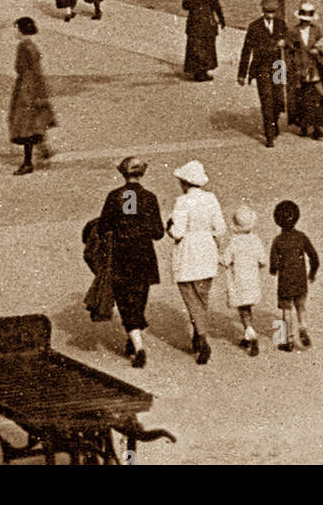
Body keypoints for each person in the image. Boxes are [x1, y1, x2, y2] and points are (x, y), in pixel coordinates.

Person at [97, 156, 165, 367]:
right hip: (144, 255)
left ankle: (137, 344)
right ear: (142, 173)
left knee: (124, 299)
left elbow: (103, 226)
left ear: (123, 174)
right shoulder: (150, 197)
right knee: (139, 296)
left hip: (121, 254)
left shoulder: (115, 196)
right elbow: (158, 233)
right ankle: (133, 337)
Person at [167, 161, 227, 365]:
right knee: (202, 297)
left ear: (184, 183)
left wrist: (170, 227)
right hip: (207, 248)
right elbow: (220, 228)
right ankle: (197, 333)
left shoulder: (182, 202)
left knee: (189, 294)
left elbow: (177, 232)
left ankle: (201, 337)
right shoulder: (211, 199)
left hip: (189, 251)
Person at [269, 200, 319, 353]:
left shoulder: (278, 241)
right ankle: (303, 328)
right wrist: (312, 273)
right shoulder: (301, 237)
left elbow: (273, 263)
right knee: (300, 306)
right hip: (300, 280)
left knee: (286, 310)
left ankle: (288, 339)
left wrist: (274, 270)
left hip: (285, 281)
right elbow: (314, 257)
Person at [237, 0, 288, 147]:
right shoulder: (254, 27)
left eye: (272, 12)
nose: (270, 15)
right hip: (261, 67)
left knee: (278, 99)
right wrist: (242, 73)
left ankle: (274, 121)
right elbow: (246, 51)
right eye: (267, 12)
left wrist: (284, 43)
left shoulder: (281, 25)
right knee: (266, 100)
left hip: (278, 66)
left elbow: (290, 44)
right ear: (263, 11)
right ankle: (269, 135)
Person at [8, 16, 55, 175]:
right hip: (31, 87)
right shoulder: (31, 46)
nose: (15, 32)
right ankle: (42, 147)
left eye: (16, 28)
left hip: (26, 89)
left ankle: (27, 163)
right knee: (32, 123)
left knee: (25, 126)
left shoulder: (24, 47)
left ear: (21, 30)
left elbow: (22, 69)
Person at [222, 205, 268, 356]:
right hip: (252, 279)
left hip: (238, 281)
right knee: (248, 308)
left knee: (243, 309)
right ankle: (247, 333)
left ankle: (250, 332)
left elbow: (226, 260)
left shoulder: (234, 241)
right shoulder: (255, 240)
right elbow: (262, 260)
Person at [283, 2, 323, 139]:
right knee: (301, 97)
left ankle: (317, 127)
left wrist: (318, 51)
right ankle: (303, 124)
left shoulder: (316, 30)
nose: (305, 22)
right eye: (304, 20)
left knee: (316, 96)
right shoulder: (292, 31)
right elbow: (288, 50)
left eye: (307, 20)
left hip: (314, 67)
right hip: (298, 68)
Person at [182, 0, 224, 81]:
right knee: (207, 46)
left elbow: (185, 5)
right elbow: (216, 6)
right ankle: (203, 71)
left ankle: (196, 71)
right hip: (207, 21)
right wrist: (222, 20)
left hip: (194, 21)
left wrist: (195, 7)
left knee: (194, 45)